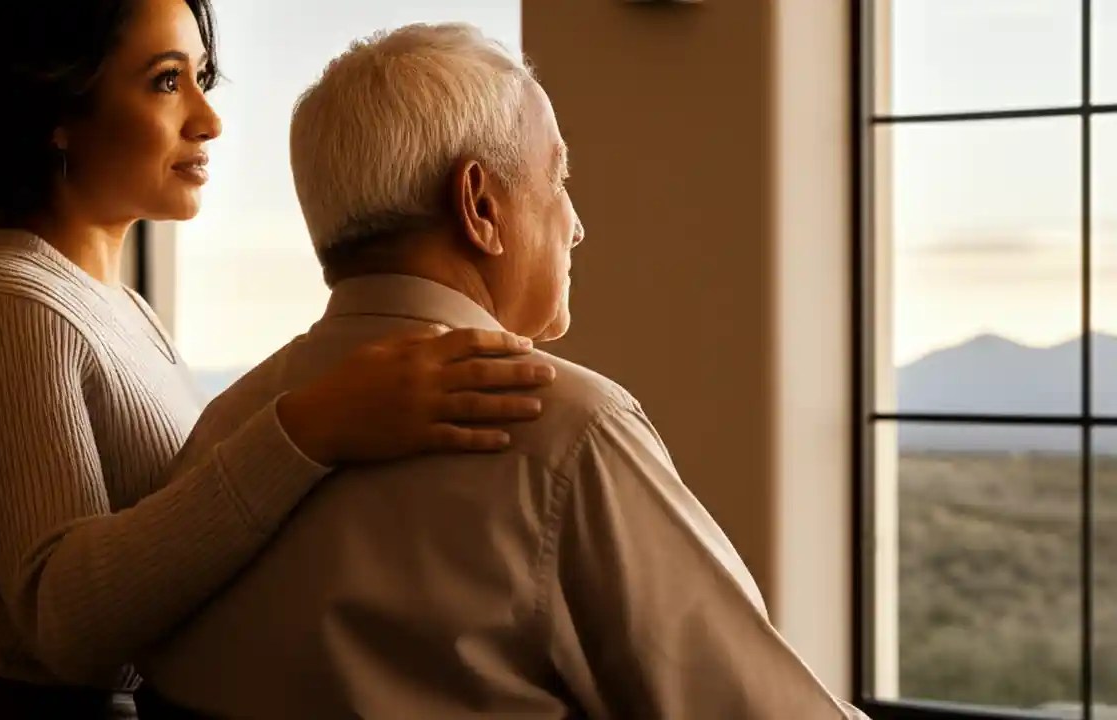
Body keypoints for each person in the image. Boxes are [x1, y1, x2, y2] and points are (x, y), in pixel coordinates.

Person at [136, 23, 871, 719]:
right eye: (560, 178)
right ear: (481, 205)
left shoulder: (224, 429)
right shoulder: (564, 427)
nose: (576, 223)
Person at [0, 3, 557, 718]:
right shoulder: (8, 304)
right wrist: (312, 426)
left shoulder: (117, 307)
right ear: (56, 106)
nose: (207, 119)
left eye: (202, 77)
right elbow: (67, 623)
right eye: (164, 81)